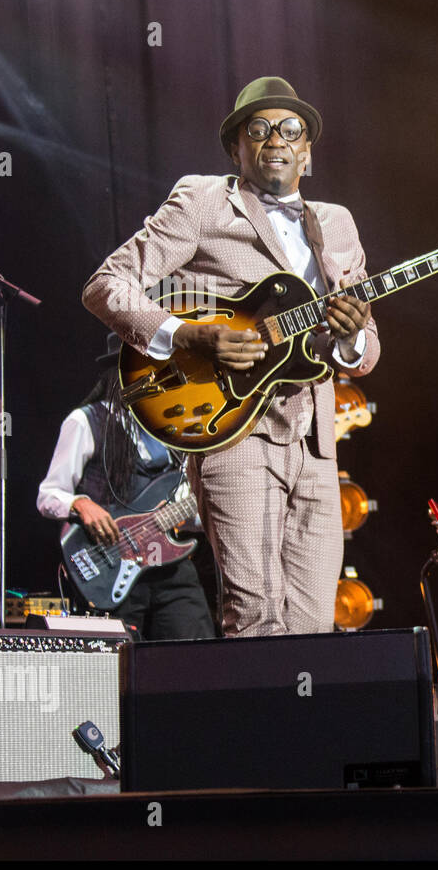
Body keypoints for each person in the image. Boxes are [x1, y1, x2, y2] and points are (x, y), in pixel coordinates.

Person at [82, 76, 379, 637]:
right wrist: (185, 336)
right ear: (235, 147)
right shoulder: (203, 201)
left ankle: (303, 725)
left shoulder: (336, 223)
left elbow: (366, 352)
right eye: (259, 128)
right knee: (257, 617)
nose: (277, 139)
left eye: (291, 130)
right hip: (233, 427)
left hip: (316, 444)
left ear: (307, 150)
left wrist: (350, 336)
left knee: (316, 627)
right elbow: (107, 284)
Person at [37, 334, 215, 641]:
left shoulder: (177, 430)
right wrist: (80, 504)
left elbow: (194, 514)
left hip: (170, 570)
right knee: (118, 674)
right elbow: (48, 495)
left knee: (198, 660)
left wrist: (198, 516)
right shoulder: (86, 421)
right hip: (111, 568)